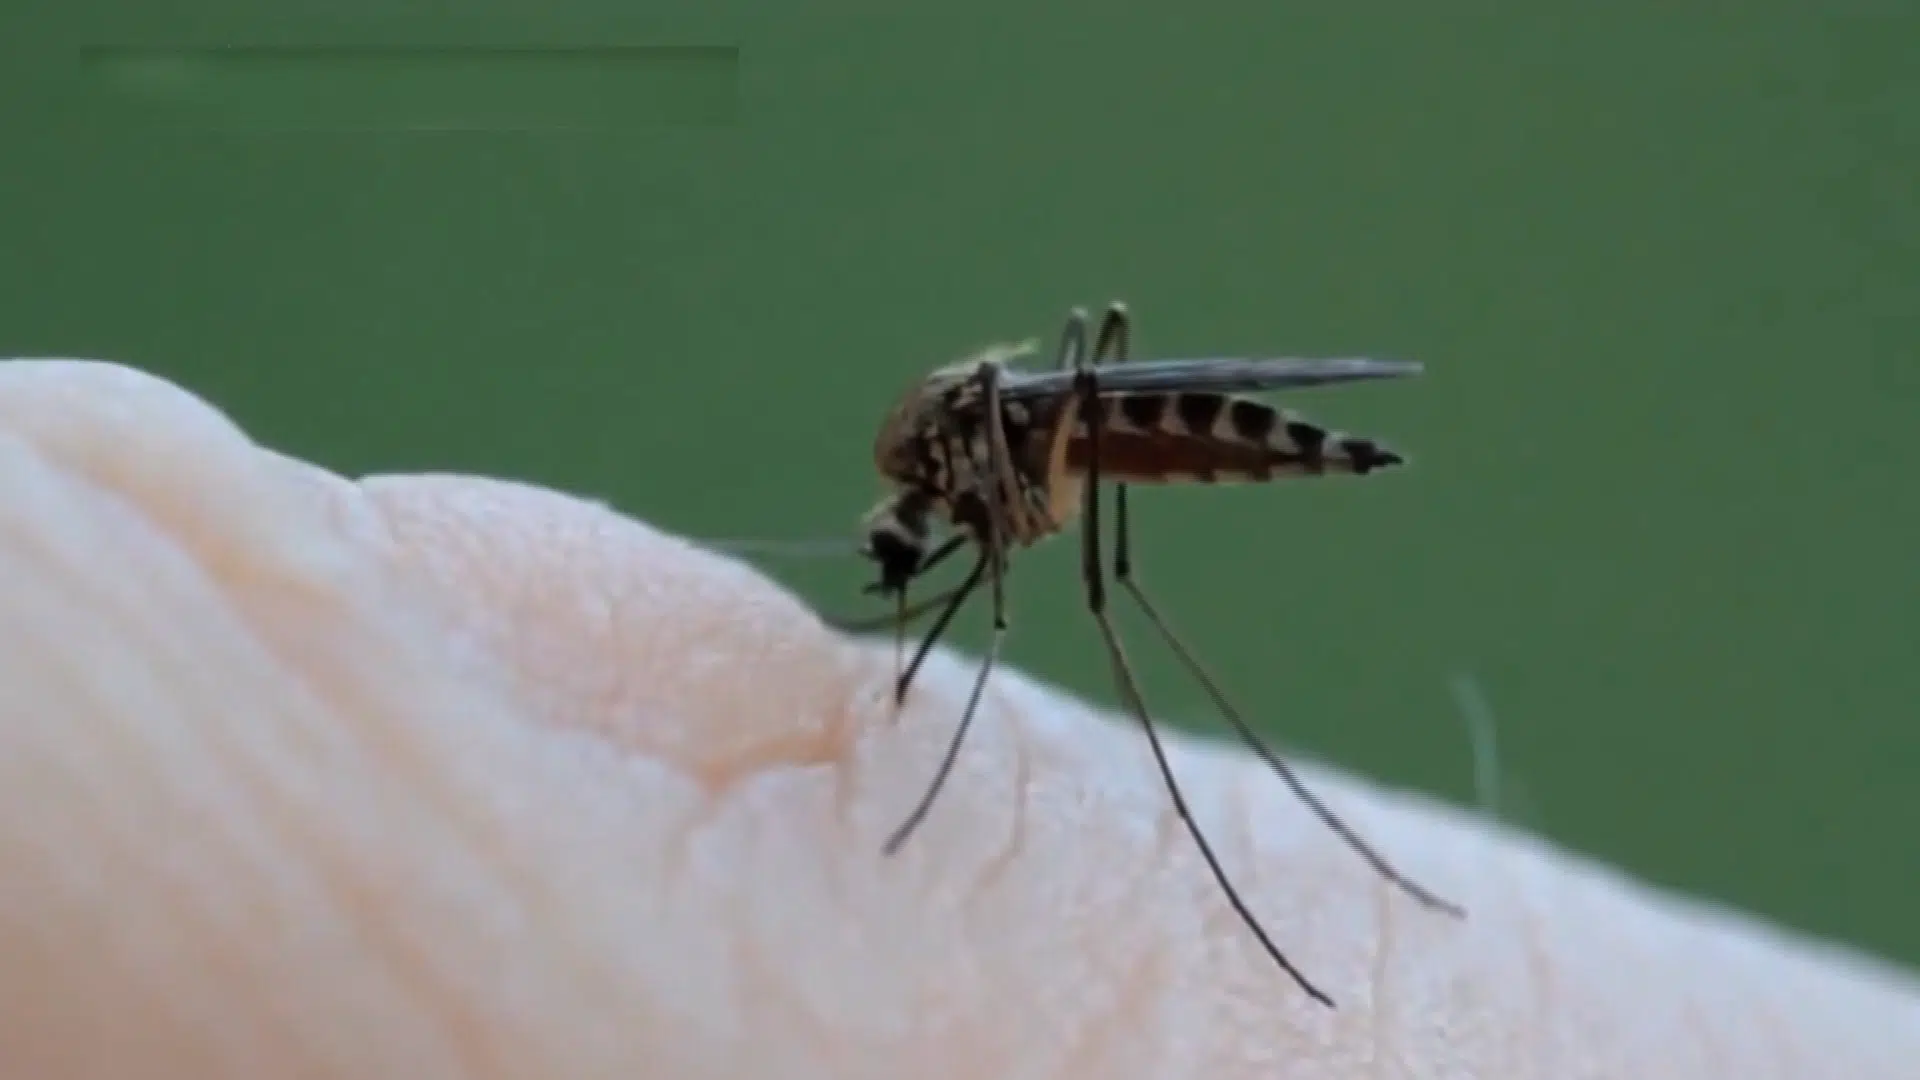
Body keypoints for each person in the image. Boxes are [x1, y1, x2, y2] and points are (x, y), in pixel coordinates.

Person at [2, 358, 1913, 1079]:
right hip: (1057, 429)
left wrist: (1048, 491)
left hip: (1091, 413)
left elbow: (1039, 443)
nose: (916, 543)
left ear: (937, 485)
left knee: (1111, 558)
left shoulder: (971, 451)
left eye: (925, 528)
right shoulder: (942, 475)